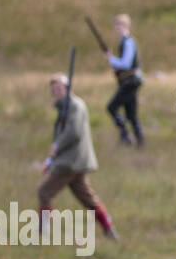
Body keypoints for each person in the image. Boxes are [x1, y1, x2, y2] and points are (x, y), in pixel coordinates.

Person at [39, 73, 118, 241]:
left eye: (60, 88)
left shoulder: (75, 106)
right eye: (54, 89)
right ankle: (109, 229)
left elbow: (72, 132)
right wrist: (50, 160)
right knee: (88, 199)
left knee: (44, 192)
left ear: (67, 88)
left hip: (71, 162)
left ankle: (42, 233)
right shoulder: (65, 107)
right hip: (75, 162)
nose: (57, 91)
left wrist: (56, 148)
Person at [104, 13, 144, 147]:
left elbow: (126, 64)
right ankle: (139, 141)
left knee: (112, 107)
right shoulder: (124, 42)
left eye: (120, 25)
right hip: (129, 80)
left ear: (126, 26)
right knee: (131, 113)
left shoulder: (128, 42)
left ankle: (125, 135)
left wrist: (112, 59)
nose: (118, 28)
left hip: (131, 81)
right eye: (116, 25)